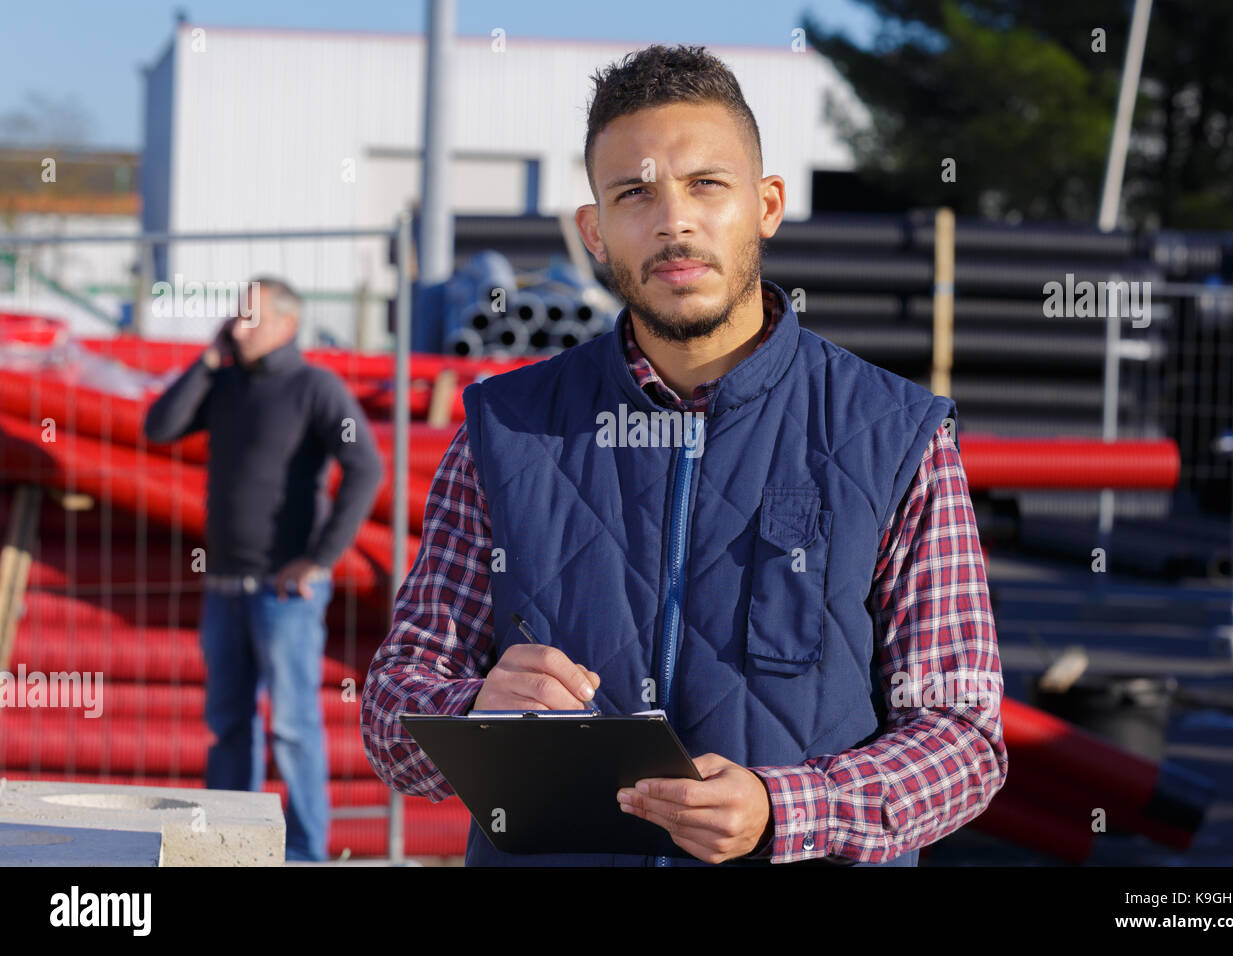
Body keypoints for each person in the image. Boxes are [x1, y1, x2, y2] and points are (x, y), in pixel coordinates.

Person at [362, 44, 1006, 866]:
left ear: (767, 204)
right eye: (635, 193)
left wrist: (785, 807)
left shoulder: (895, 435)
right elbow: (391, 710)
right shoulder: (506, 428)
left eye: (708, 184)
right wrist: (472, 706)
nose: (674, 221)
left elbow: (964, 736)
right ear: (594, 230)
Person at [145, 276, 383, 862]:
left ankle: (304, 852)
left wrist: (320, 559)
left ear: (286, 324)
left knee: (293, 728)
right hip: (225, 584)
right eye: (235, 316)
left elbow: (366, 468)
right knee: (229, 723)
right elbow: (159, 427)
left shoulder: (313, 388)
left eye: (250, 317)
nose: (237, 325)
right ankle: (229, 847)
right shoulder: (225, 384)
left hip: (285, 593)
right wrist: (207, 358)